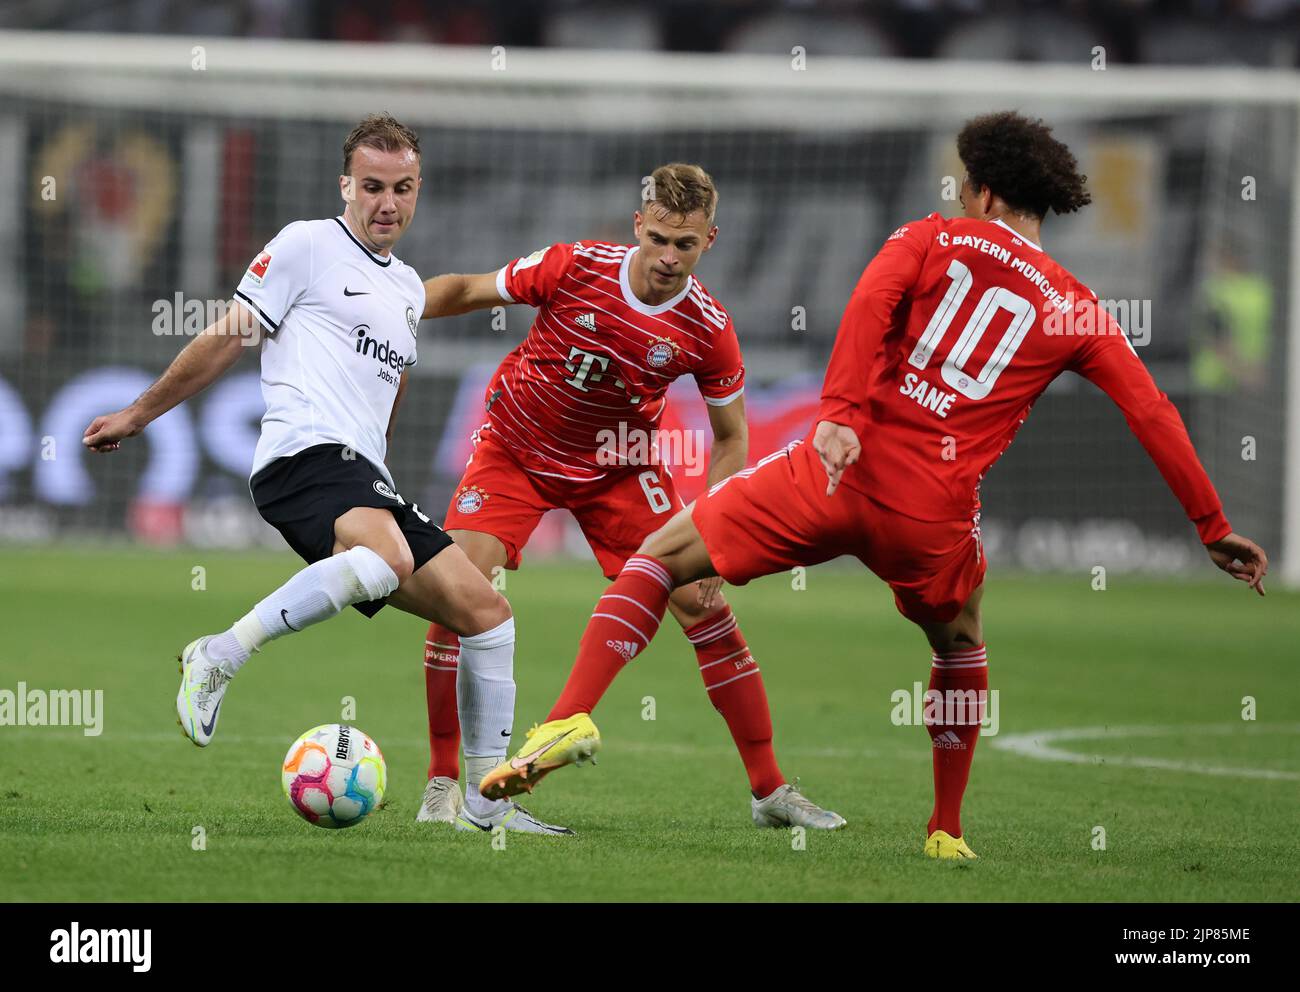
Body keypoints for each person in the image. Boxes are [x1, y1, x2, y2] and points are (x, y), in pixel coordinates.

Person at [477, 112, 1269, 859]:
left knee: (659, 559)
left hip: (834, 471)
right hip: (933, 514)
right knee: (960, 643)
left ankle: (571, 713)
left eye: (964, 182)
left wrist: (843, 414)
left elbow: (867, 304)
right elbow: (1152, 411)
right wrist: (1209, 523)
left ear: (984, 192)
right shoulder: (1077, 307)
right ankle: (946, 827)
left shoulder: (929, 237)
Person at [81, 115, 534, 824]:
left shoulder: (409, 289)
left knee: (487, 613)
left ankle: (481, 807)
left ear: (419, 191)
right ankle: (220, 654)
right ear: (346, 185)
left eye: (403, 188)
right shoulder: (306, 244)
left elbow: (395, 382)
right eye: (374, 186)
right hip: (302, 457)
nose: (388, 203)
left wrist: (379, 471)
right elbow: (231, 334)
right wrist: (139, 414)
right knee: (381, 556)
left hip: (361, 475)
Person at [414, 163, 843, 834]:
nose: (670, 258)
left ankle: (771, 792)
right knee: (457, 595)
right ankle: (444, 785)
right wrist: (390, 306)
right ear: (639, 225)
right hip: (516, 449)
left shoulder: (706, 326)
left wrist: (714, 525)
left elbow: (732, 438)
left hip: (621, 469)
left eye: (687, 245)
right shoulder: (572, 266)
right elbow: (469, 288)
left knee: (705, 605)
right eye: (661, 239)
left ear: (710, 241)